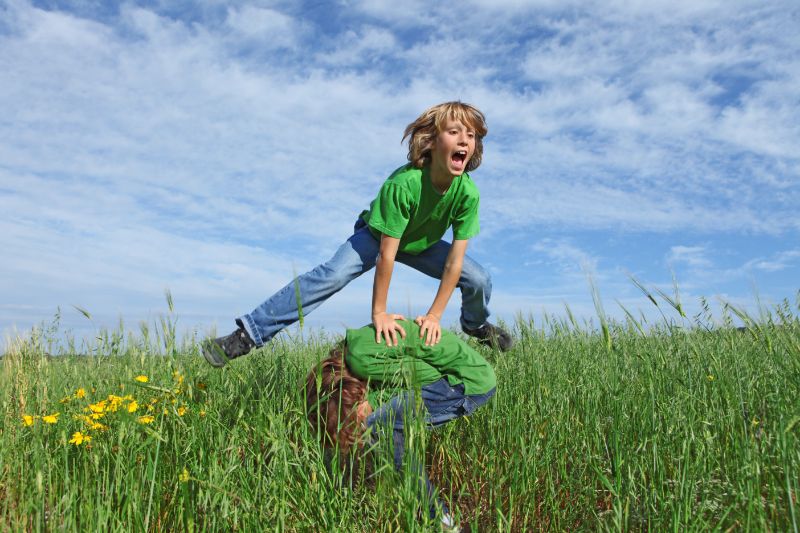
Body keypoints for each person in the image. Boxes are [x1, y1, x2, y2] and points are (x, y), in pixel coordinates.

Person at [203, 102, 512, 368]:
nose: (464, 140)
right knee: (332, 275)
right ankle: (246, 335)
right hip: (378, 238)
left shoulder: (467, 193)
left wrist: (433, 315)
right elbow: (386, 255)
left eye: (470, 135)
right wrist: (379, 313)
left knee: (479, 278)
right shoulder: (404, 185)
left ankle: (475, 324)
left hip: (421, 245)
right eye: (455, 131)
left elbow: (453, 263)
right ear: (431, 140)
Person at [305, 320, 496, 530]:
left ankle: (440, 520)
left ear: (348, 397)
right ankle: (420, 504)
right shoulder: (357, 350)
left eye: (350, 418)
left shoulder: (361, 360)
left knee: (375, 425)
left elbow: (424, 375)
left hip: (466, 381)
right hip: (462, 374)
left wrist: (374, 402)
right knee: (380, 425)